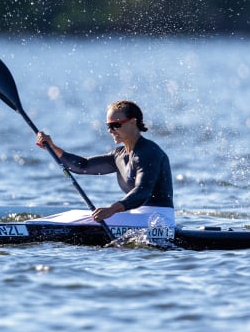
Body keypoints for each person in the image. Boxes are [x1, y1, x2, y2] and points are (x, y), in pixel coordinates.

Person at [32, 100, 175, 235]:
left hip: (158, 219)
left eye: (116, 125)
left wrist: (111, 210)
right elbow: (83, 166)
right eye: (108, 126)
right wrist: (53, 148)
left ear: (133, 122)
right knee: (73, 215)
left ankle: (27, 230)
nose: (111, 130)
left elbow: (143, 192)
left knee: (83, 219)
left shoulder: (149, 153)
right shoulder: (119, 155)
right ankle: (29, 225)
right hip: (138, 217)